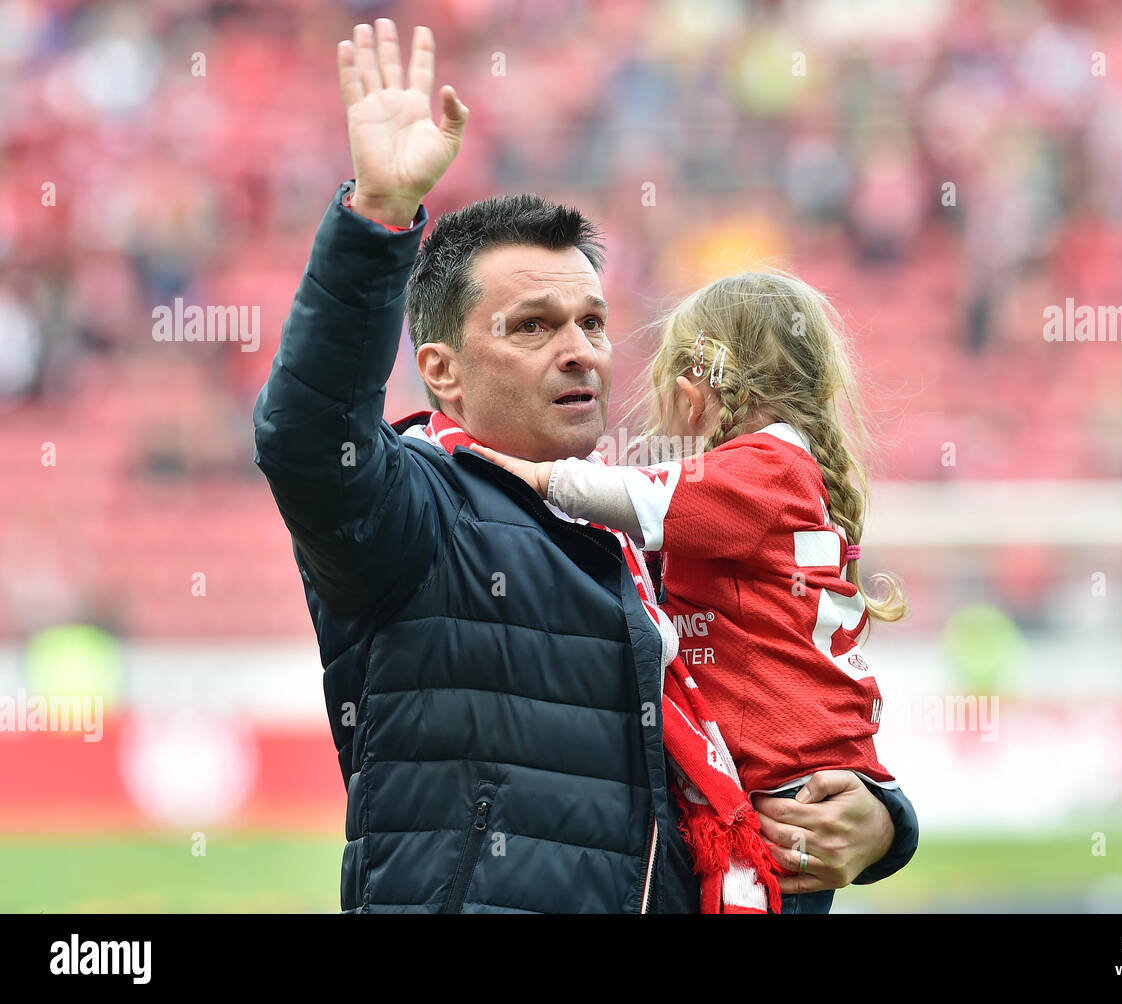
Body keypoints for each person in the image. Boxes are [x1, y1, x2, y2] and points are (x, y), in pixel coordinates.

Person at [253, 18, 917, 912]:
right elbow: (304, 437)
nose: (581, 352)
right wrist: (375, 222)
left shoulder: (656, 526)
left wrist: (876, 820)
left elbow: (784, 705)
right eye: (532, 326)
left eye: (594, 323)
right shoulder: (414, 507)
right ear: (442, 369)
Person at [471, 270, 909, 914]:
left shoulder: (760, 466)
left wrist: (528, 475)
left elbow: (638, 496)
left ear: (693, 393)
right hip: (799, 773)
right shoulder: (783, 473)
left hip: (783, 787)